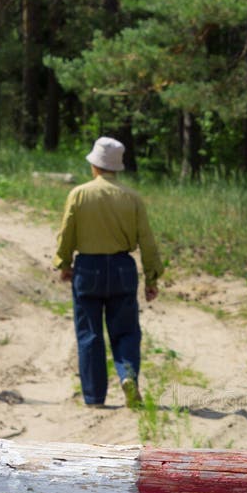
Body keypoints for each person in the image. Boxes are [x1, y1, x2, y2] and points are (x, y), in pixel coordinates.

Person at [54, 136, 164, 408]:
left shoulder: (79, 194)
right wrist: (152, 277)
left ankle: (94, 398)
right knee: (126, 330)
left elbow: (67, 232)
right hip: (121, 268)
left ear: (95, 166)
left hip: (88, 269)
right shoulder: (132, 198)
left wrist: (64, 263)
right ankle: (127, 376)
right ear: (116, 167)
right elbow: (147, 241)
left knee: (89, 333)